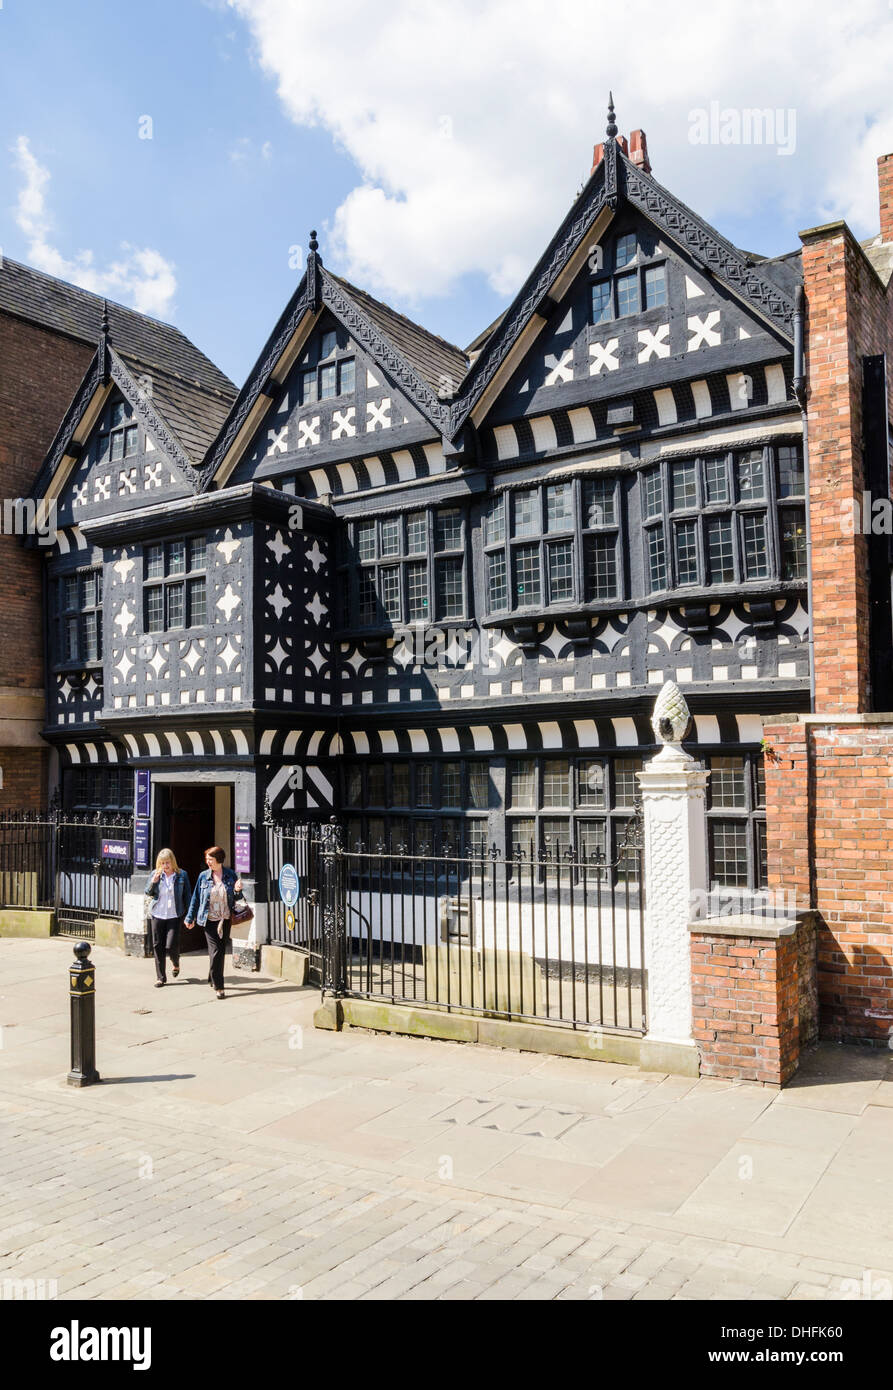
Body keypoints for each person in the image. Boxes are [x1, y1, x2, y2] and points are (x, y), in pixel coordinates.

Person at [184, 846, 242, 1000]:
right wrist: (190, 918)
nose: (207, 862)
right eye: (207, 859)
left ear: (219, 859)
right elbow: (196, 898)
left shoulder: (230, 875)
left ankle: (212, 975)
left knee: (220, 952)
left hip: (226, 919)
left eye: (210, 859)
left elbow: (237, 899)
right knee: (216, 951)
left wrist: (237, 890)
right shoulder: (204, 876)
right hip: (209, 919)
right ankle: (219, 986)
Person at [144, 849, 192, 988]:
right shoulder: (155, 874)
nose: (165, 866)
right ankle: (160, 977)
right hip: (158, 914)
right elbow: (148, 892)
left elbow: (187, 896)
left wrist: (190, 915)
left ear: (173, 862)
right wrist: (154, 882)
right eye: (162, 863)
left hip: (174, 915)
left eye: (167, 863)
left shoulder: (182, 875)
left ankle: (176, 963)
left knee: (171, 945)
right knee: (157, 945)